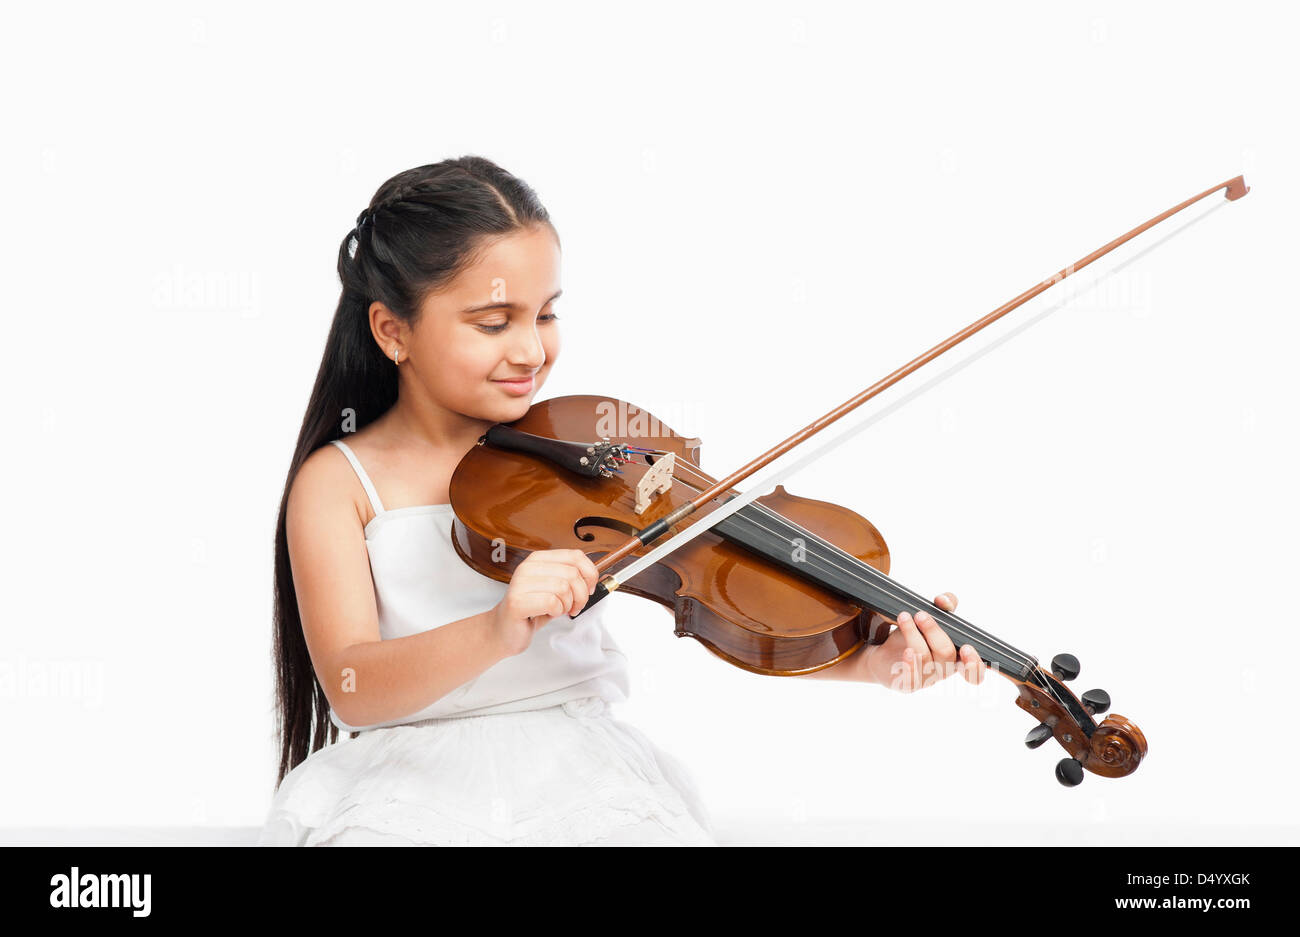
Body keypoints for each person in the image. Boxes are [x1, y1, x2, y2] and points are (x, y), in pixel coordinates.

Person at [257, 155, 985, 847]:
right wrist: (498, 627)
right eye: (493, 322)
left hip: (577, 769)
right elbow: (351, 684)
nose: (532, 351)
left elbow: (712, 591)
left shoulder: (586, 446)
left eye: (546, 314)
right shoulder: (340, 481)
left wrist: (863, 658)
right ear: (393, 330)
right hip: (407, 782)